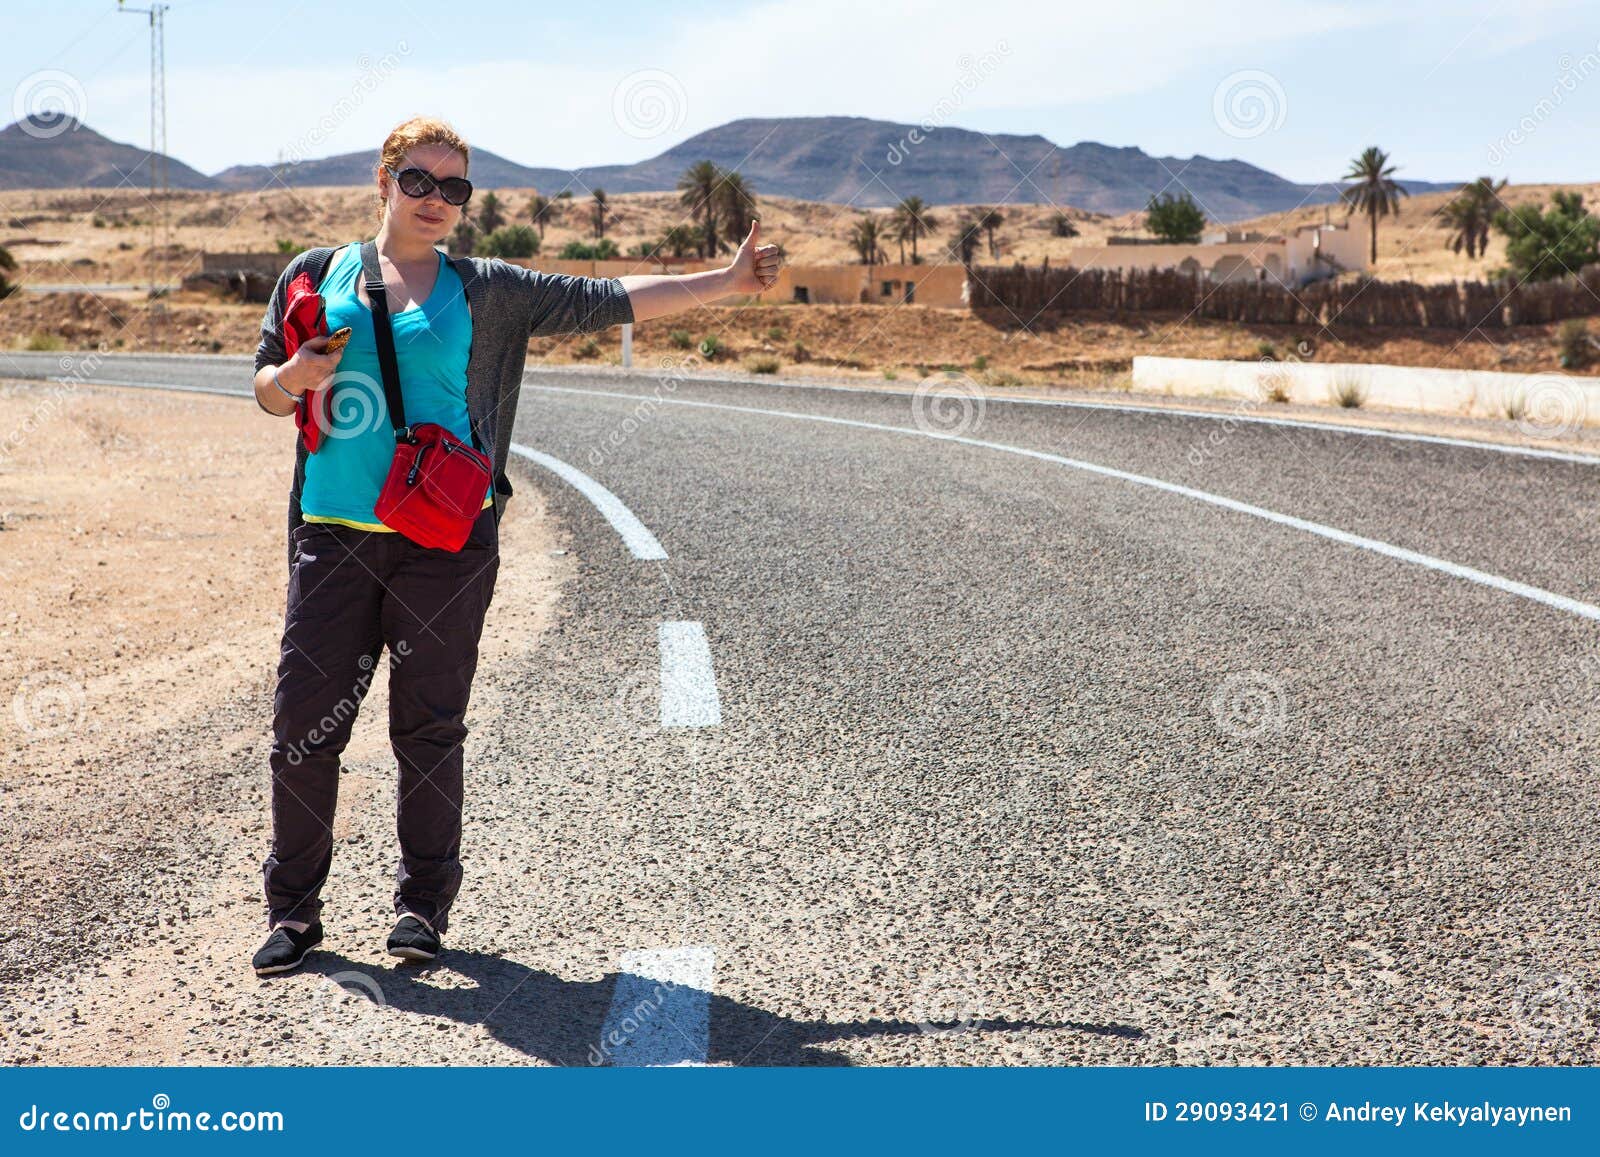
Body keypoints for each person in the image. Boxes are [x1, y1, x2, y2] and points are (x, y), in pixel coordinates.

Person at [249, 116, 781, 976]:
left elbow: (611, 301)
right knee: (302, 733)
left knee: (427, 730)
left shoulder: (487, 288)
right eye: (418, 181)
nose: (435, 201)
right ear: (383, 181)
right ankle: (294, 912)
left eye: (453, 189)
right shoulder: (316, 274)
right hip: (332, 538)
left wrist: (724, 280)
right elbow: (267, 387)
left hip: (445, 546)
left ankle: (421, 907)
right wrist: (294, 378)